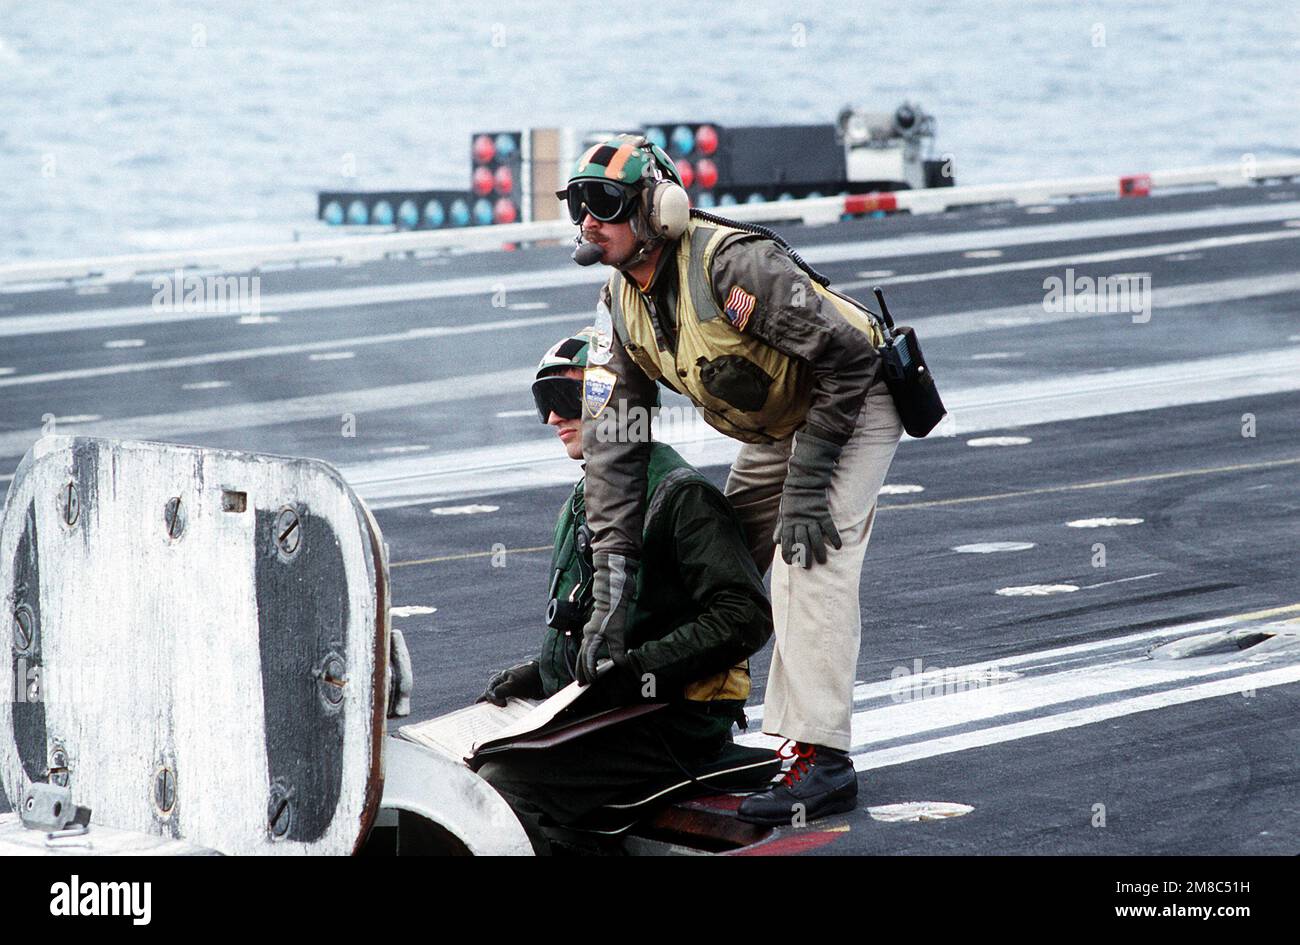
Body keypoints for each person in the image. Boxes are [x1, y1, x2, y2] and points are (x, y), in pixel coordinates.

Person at [561, 134, 903, 826]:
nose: (588, 221)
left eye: (605, 204)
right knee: (718, 562)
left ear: (657, 210)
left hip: (852, 398)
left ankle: (824, 759)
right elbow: (616, 445)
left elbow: (846, 360)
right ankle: (698, 720)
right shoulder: (619, 305)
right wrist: (611, 594)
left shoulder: (732, 266)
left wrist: (806, 488)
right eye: (579, 206)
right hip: (782, 421)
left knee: (808, 558)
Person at [474, 328, 774, 852]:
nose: (552, 418)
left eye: (564, 397)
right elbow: (597, 617)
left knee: (500, 787)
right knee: (468, 762)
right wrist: (543, 674)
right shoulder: (585, 496)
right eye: (543, 400)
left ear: (614, 402)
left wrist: (638, 670)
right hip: (609, 705)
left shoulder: (680, 495)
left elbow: (743, 615)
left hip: (670, 719)